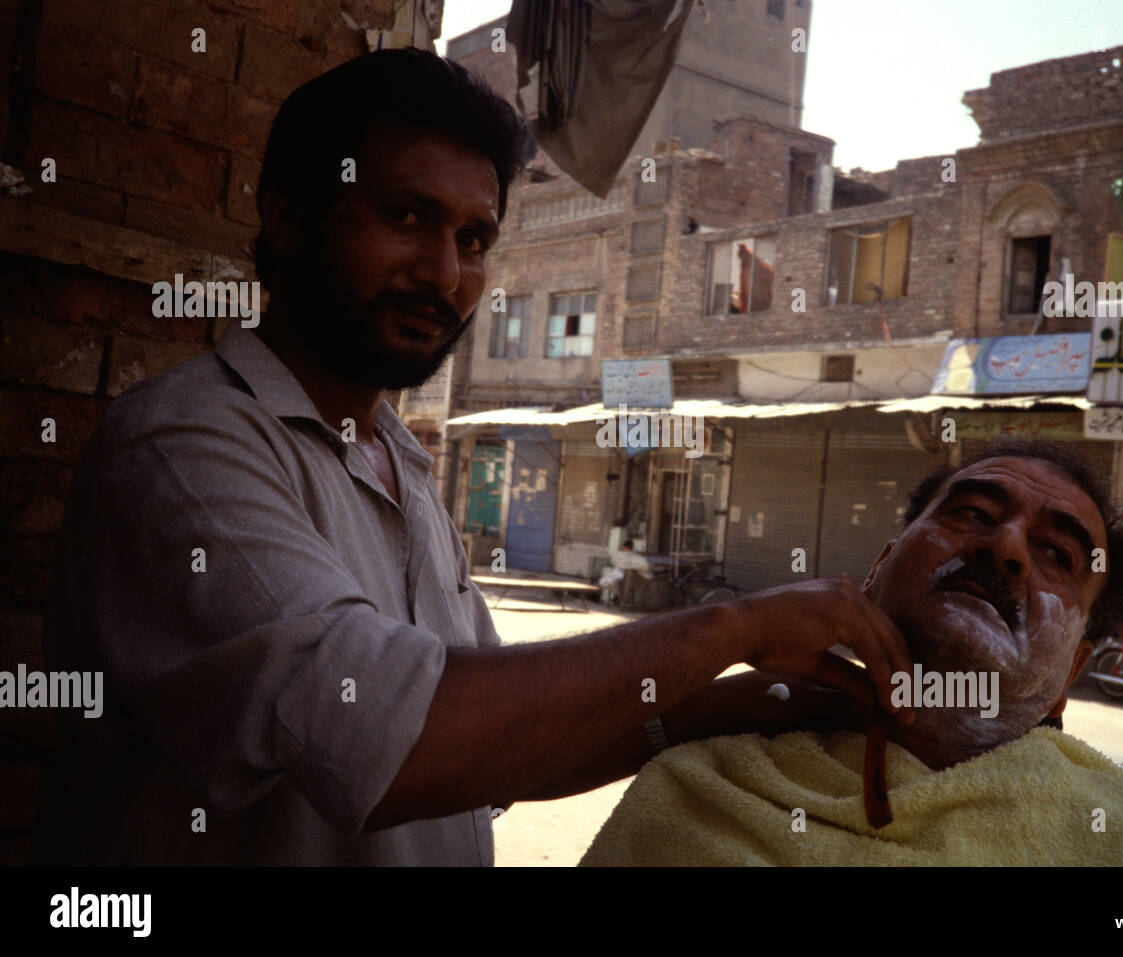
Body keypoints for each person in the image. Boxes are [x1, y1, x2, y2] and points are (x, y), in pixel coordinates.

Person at [31, 50, 910, 866]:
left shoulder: (399, 470)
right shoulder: (185, 447)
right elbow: (398, 736)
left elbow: (503, 743)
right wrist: (734, 627)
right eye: (406, 216)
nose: (445, 273)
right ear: (290, 217)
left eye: (475, 240)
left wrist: (722, 707)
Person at [580, 439, 1123, 865]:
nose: (1005, 548)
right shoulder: (698, 789)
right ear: (877, 571)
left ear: (1070, 672)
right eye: (974, 515)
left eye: (1057, 555)